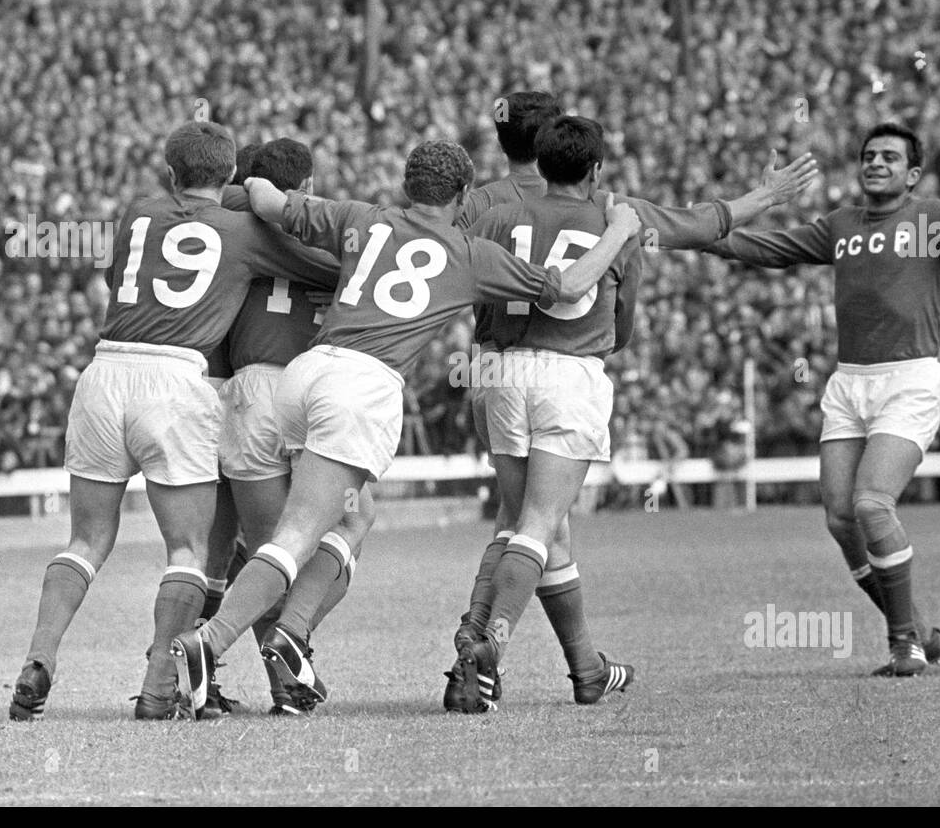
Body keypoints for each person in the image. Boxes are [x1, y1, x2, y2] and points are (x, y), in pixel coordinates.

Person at [170, 139, 643, 718]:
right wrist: (620, 228)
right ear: (464, 195)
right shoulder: (470, 253)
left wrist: (214, 187)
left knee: (351, 515)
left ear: (404, 188)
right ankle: (210, 642)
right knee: (296, 535)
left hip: (304, 374)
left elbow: (268, 202)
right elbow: (569, 287)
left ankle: (289, 634)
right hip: (360, 387)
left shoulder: (359, 218)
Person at [449, 90, 818, 705]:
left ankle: (581, 667)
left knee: (523, 524)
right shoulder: (617, 213)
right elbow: (702, 225)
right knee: (538, 527)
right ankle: (489, 646)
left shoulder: (486, 209)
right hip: (568, 374)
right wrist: (768, 197)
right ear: (592, 167)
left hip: (498, 372)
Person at [708, 122, 940, 675]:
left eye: (890, 157)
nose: (876, 163)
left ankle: (902, 643)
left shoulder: (932, 220)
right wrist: (698, 232)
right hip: (849, 382)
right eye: (869, 155)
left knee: (871, 504)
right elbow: (769, 248)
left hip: (909, 378)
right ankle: (921, 633)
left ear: (912, 175)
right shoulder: (840, 227)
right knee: (841, 520)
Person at [8, 121, 339, 721]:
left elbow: (118, 280)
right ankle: (161, 687)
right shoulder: (241, 231)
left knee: (85, 541)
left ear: (168, 172)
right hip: (175, 381)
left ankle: (40, 657)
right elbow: (320, 267)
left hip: (104, 373)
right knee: (189, 550)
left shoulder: (137, 214)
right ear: (231, 174)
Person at [216, 137, 377, 716]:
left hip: (250, 391)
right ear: (305, 188)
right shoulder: (342, 237)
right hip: (318, 390)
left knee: (270, 548)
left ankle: (283, 674)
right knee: (353, 519)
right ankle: (296, 644)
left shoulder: (230, 226)